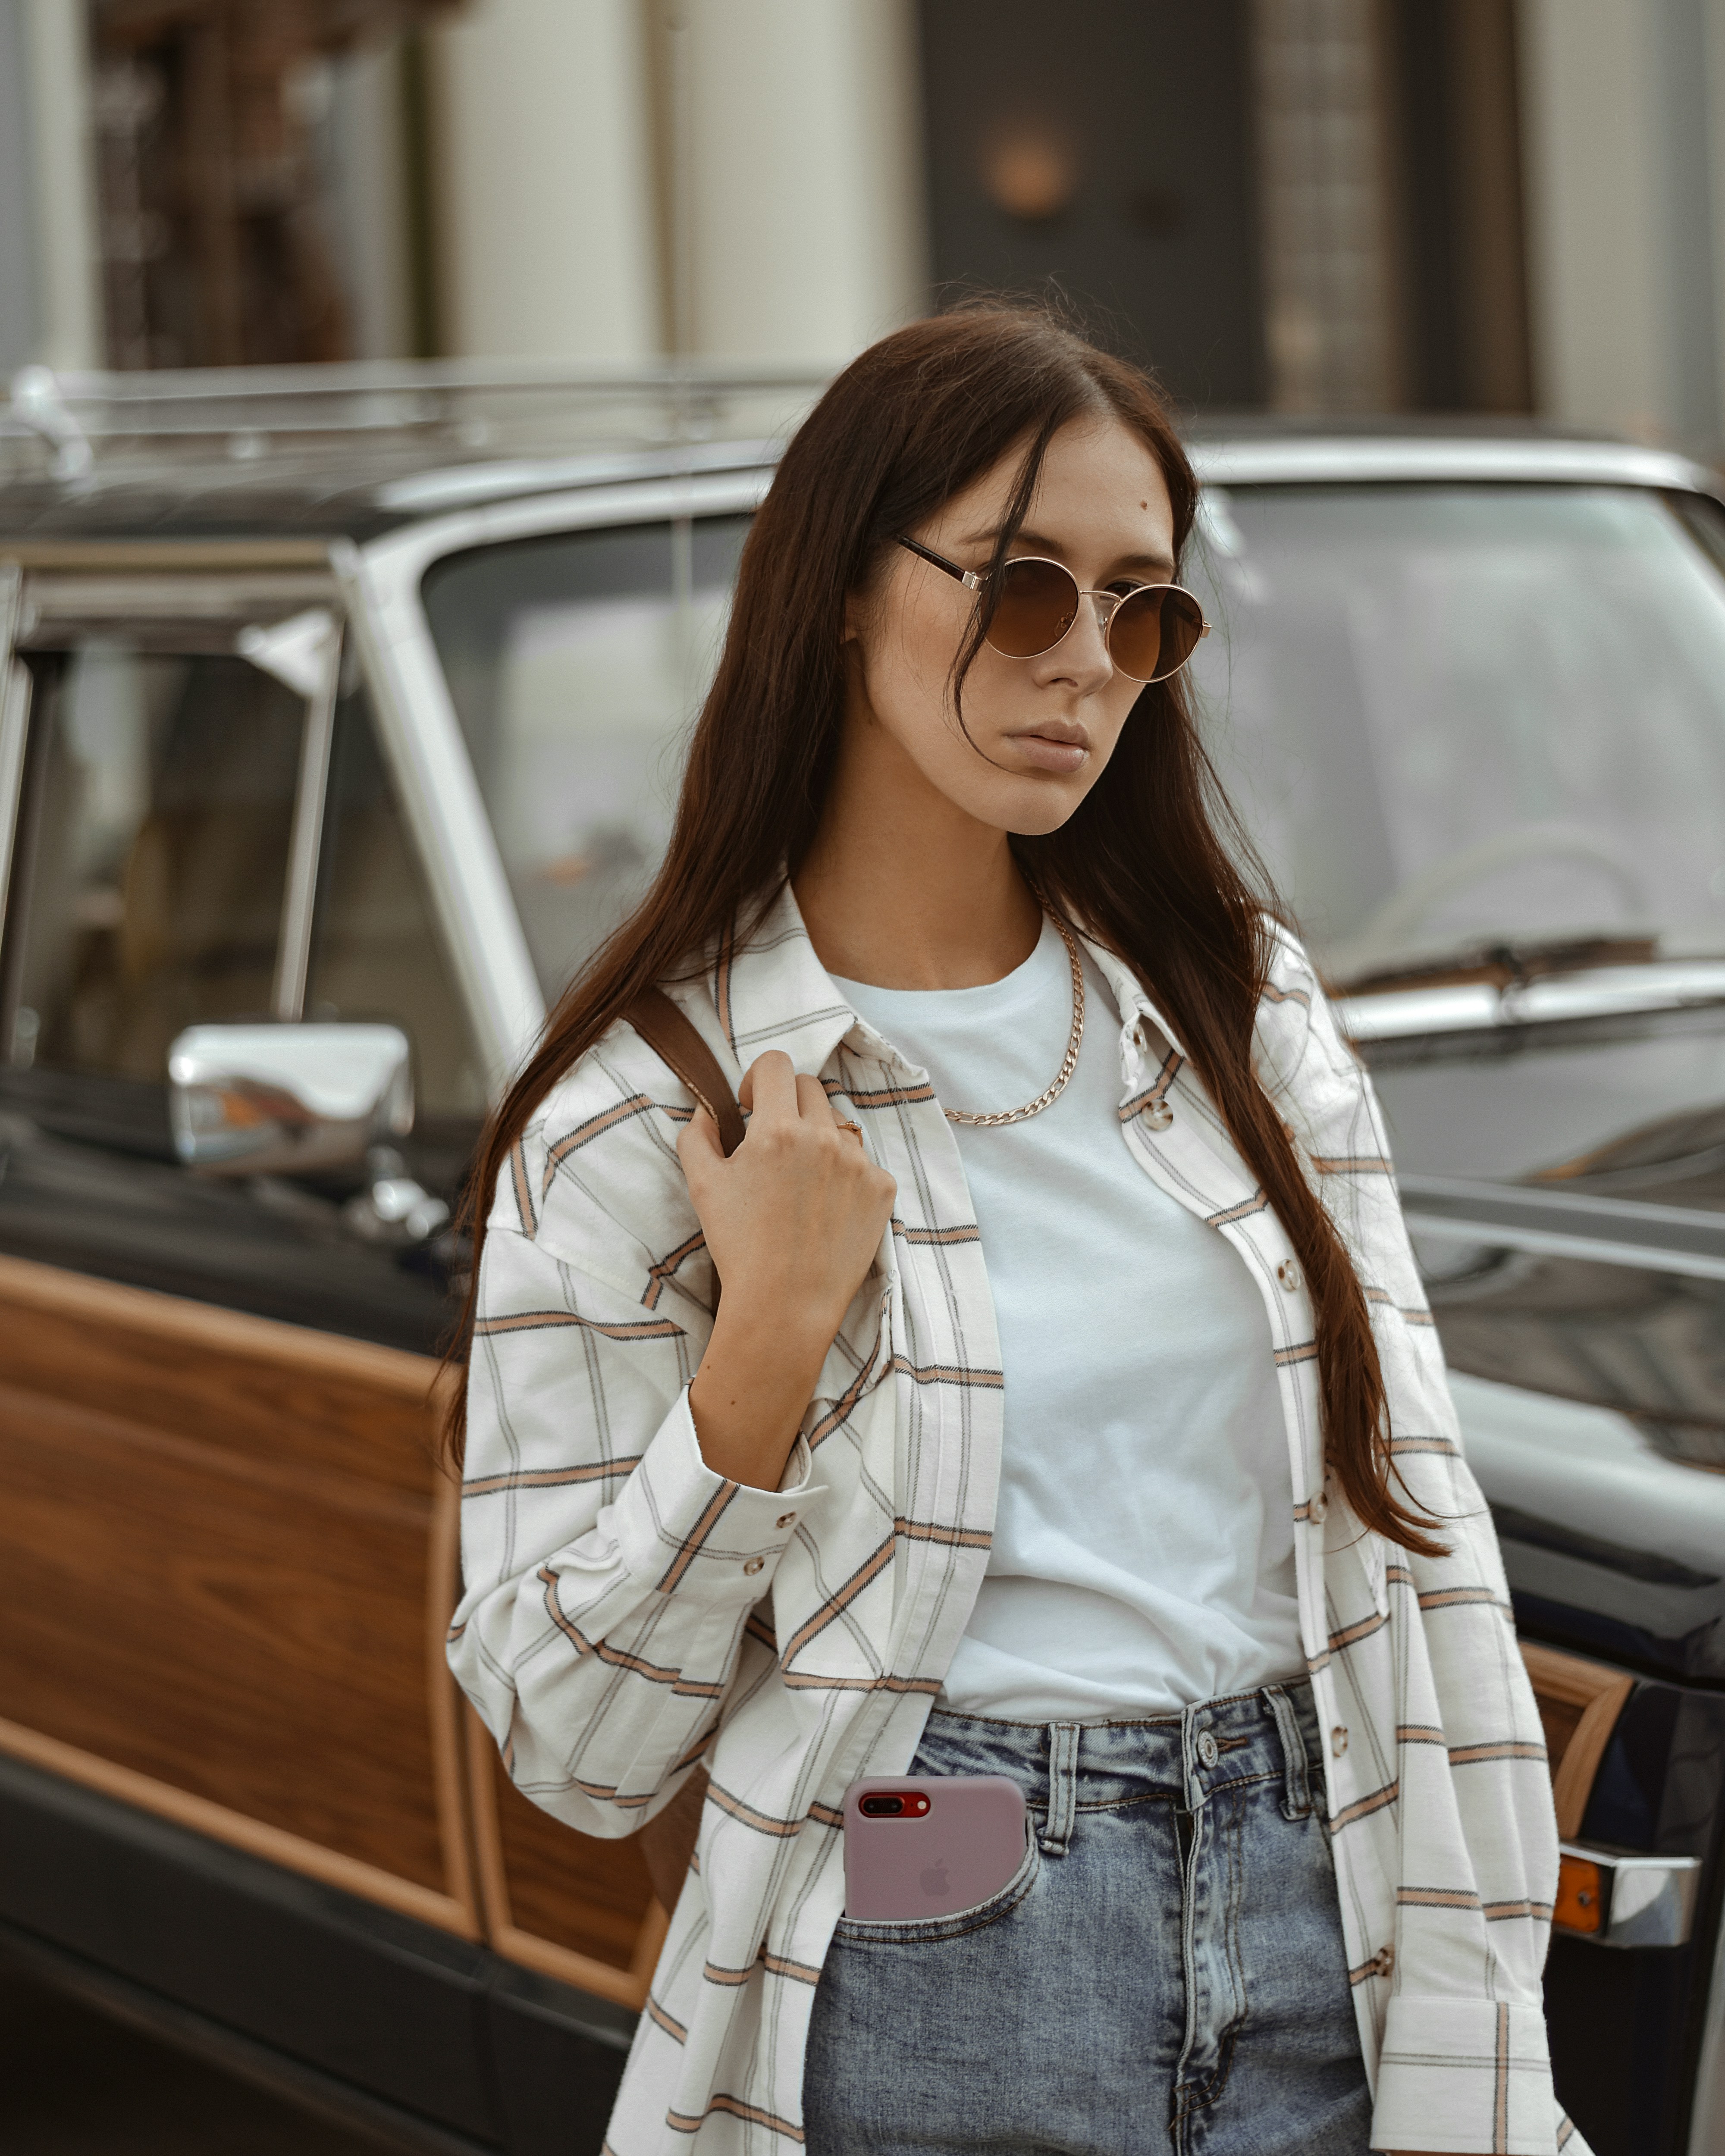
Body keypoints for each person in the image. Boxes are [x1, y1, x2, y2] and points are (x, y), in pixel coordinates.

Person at [445, 307, 1579, 2156]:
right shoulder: (645, 1120)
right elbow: (569, 1746)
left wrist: (1484, 2003)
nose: (1087, 662)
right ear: (838, 585)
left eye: (1142, 609)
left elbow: (1420, 1532)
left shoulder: (1238, 1010)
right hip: (944, 1900)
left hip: (1328, 1885)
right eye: (1022, 588)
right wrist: (763, 1350)